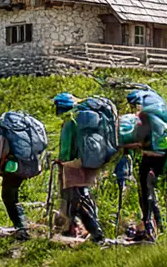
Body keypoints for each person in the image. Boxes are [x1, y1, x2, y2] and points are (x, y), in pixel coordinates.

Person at [0, 110, 45, 240]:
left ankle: (21, 227)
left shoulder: (4, 130)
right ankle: (22, 225)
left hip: (12, 166)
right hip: (29, 164)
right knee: (13, 194)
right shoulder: (28, 129)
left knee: (7, 196)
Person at [54, 92, 105, 243]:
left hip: (73, 166)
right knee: (82, 197)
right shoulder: (86, 120)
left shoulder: (70, 123)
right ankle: (77, 229)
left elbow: (66, 149)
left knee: (77, 200)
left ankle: (96, 233)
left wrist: (62, 161)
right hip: (88, 163)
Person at [123, 88, 167, 242]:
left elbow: (140, 138)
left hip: (149, 157)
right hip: (161, 156)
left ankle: (148, 225)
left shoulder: (145, 117)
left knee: (145, 190)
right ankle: (159, 225)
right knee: (151, 189)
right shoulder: (160, 116)